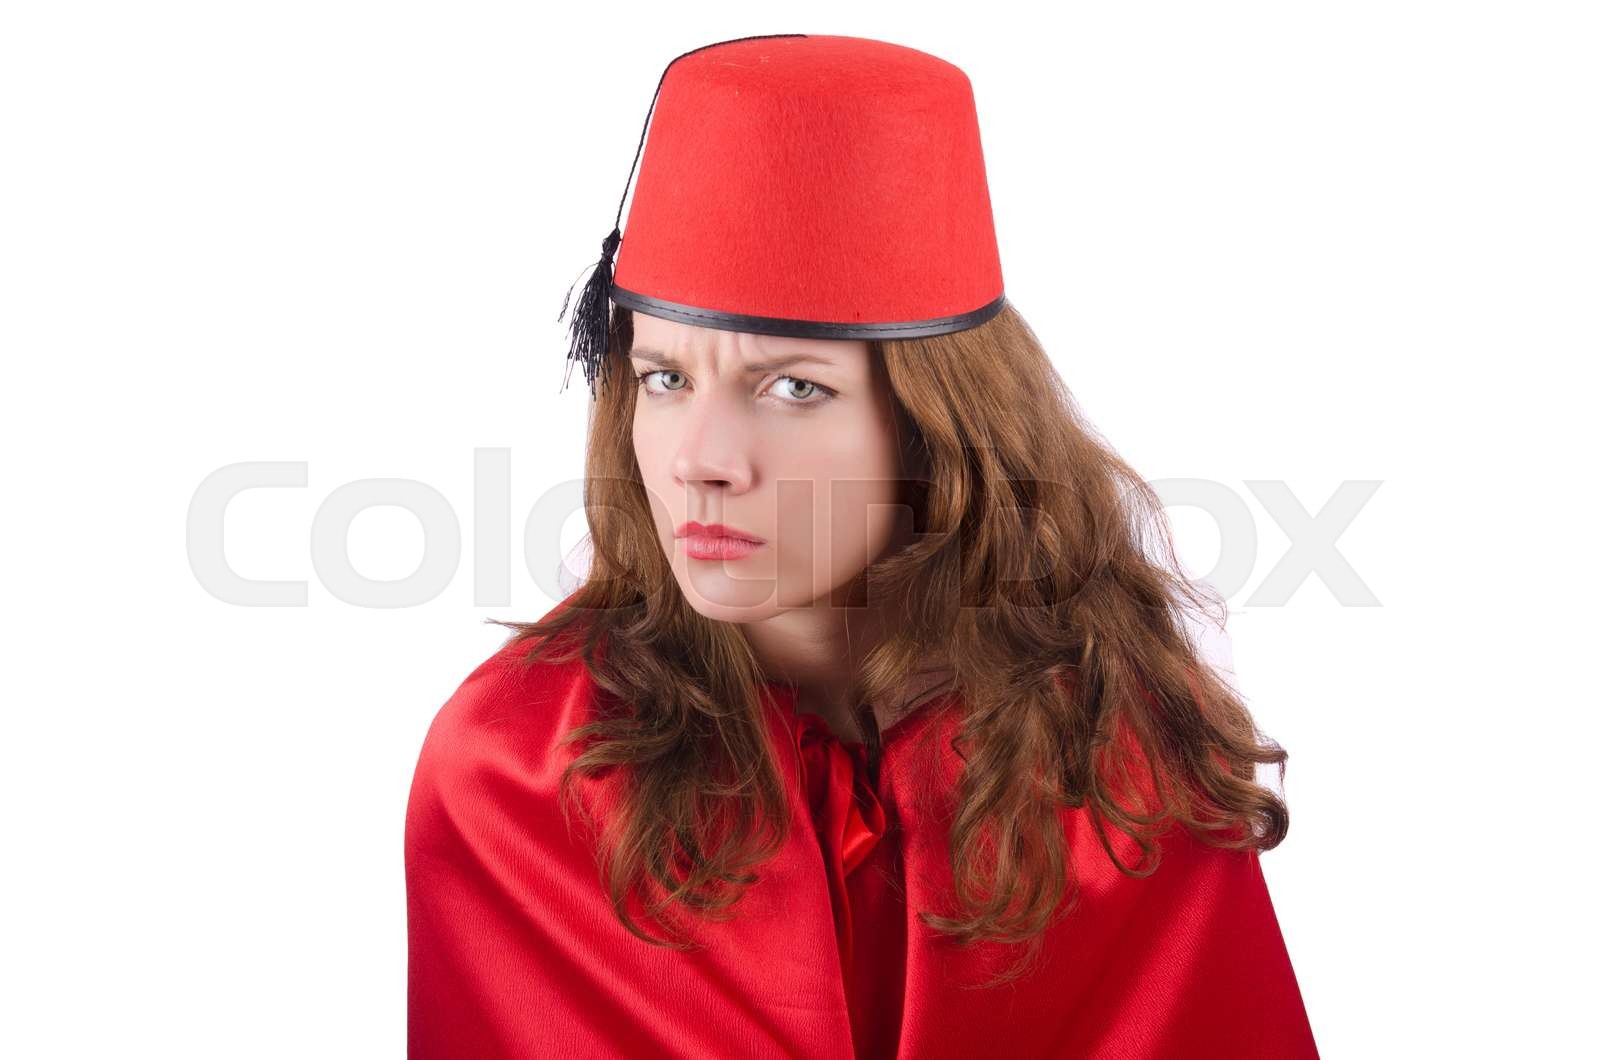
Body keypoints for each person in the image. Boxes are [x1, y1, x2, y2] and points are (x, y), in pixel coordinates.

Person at [405, 33, 1319, 1058]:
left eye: (795, 386)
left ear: (935, 430)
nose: (701, 459)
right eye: (665, 378)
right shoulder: (518, 778)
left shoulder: (1115, 759)